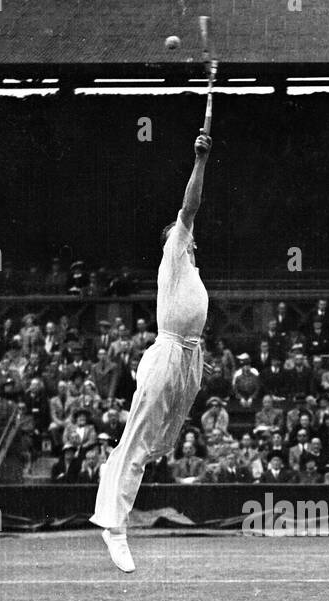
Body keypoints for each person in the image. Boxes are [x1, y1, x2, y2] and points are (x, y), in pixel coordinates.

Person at [90, 128, 213, 572]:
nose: (186, 235)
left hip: (190, 358)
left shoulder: (193, 273)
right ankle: (114, 526)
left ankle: (115, 468)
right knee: (139, 444)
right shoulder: (175, 251)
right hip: (166, 354)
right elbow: (190, 206)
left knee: (157, 444)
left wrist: (197, 356)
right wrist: (199, 160)